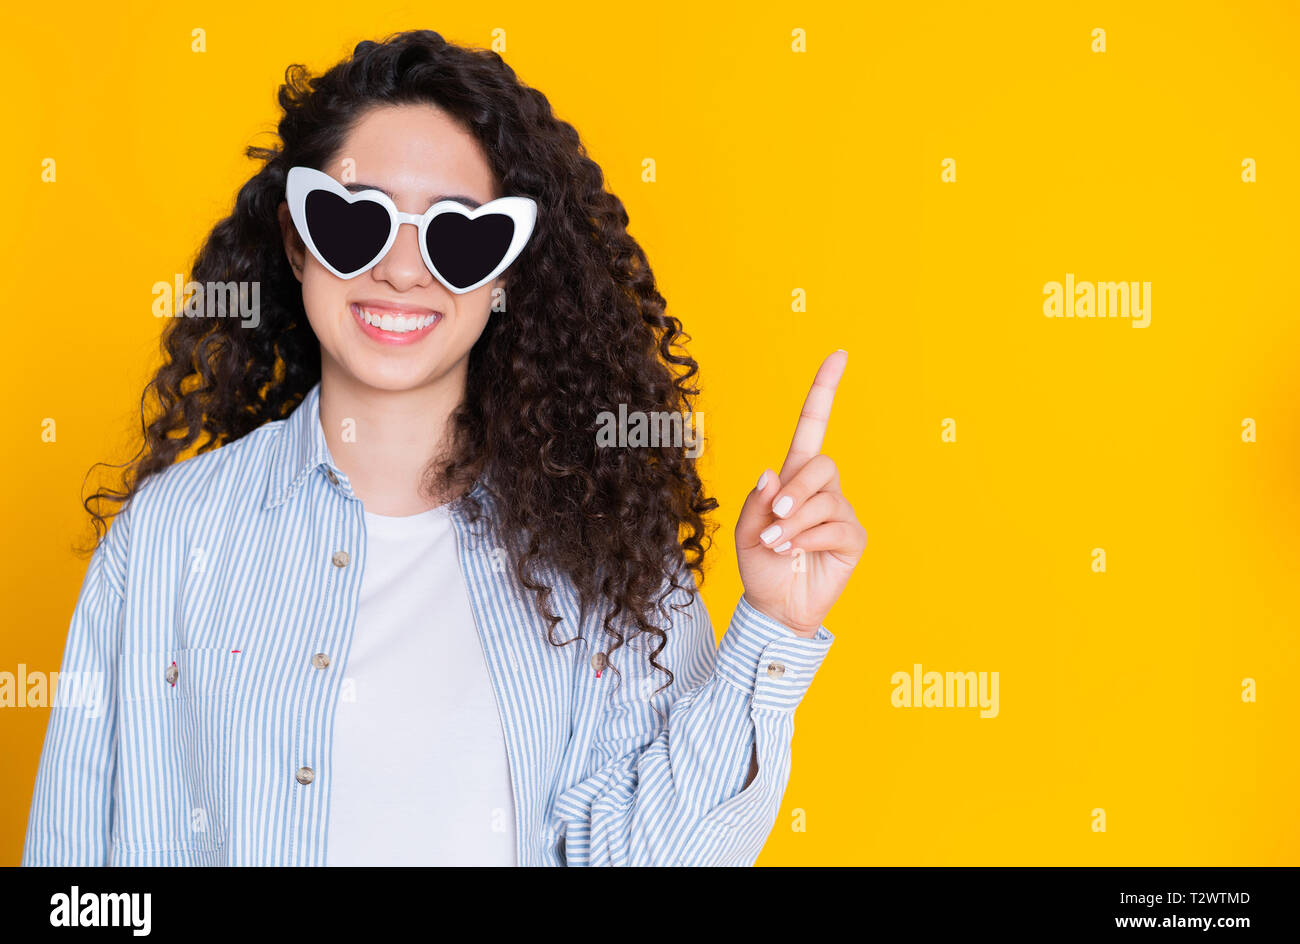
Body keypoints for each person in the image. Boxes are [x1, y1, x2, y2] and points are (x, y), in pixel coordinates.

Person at [22, 29, 865, 866]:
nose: (401, 268)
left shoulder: (604, 551)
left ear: (503, 274)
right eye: (355, 222)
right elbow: (76, 867)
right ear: (296, 239)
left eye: (458, 237)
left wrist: (773, 628)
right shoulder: (172, 538)